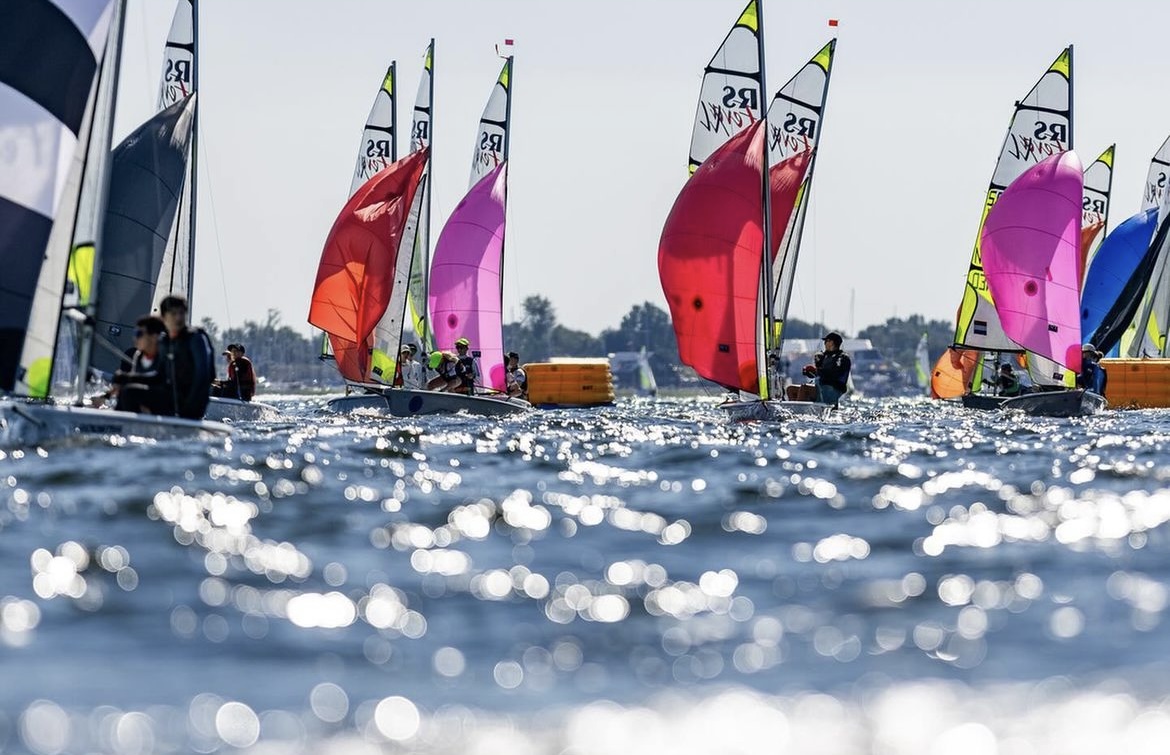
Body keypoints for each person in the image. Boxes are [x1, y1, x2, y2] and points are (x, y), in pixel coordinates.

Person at [158, 294, 215, 419]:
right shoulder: (163, 342)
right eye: (173, 314)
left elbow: (203, 375)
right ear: (163, 318)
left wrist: (187, 409)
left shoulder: (196, 338)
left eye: (182, 313)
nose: (179, 318)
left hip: (190, 407)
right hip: (168, 403)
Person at [106, 316, 172, 414]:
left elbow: (159, 380)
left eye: (139, 334)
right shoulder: (138, 355)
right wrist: (105, 397)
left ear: (154, 337)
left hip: (164, 413)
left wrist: (128, 378)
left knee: (129, 391)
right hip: (142, 408)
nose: (135, 338)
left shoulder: (168, 358)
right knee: (125, 390)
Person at [802, 331, 851, 406]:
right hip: (821, 387)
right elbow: (820, 374)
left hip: (832, 389)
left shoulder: (842, 357)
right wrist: (809, 371)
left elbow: (833, 374)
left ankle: (799, 411)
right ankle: (795, 409)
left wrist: (817, 370)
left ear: (832, 342)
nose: (824, 343)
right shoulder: (824, 356)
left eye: (826, 341)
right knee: (791, 389)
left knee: (804, 388)